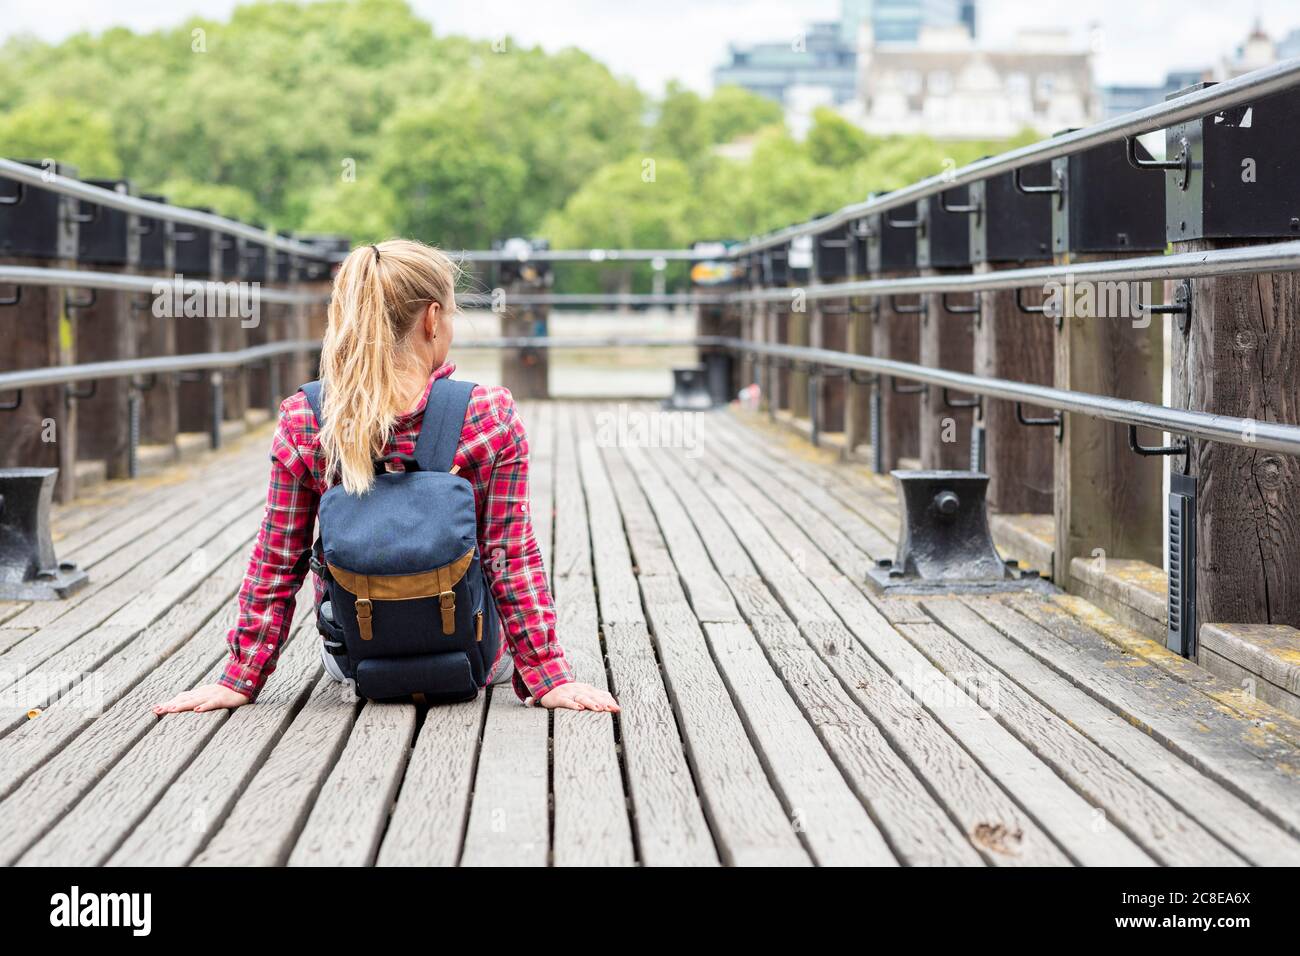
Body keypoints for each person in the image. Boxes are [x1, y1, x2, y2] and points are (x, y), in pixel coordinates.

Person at [153, 239, 618, 715]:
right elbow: (508, 555)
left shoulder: (307, 418)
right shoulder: (487, 415)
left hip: (355, 659)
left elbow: (277, 559)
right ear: (432, 319)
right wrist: (548, 676)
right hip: (471, 654)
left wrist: (241, 677)